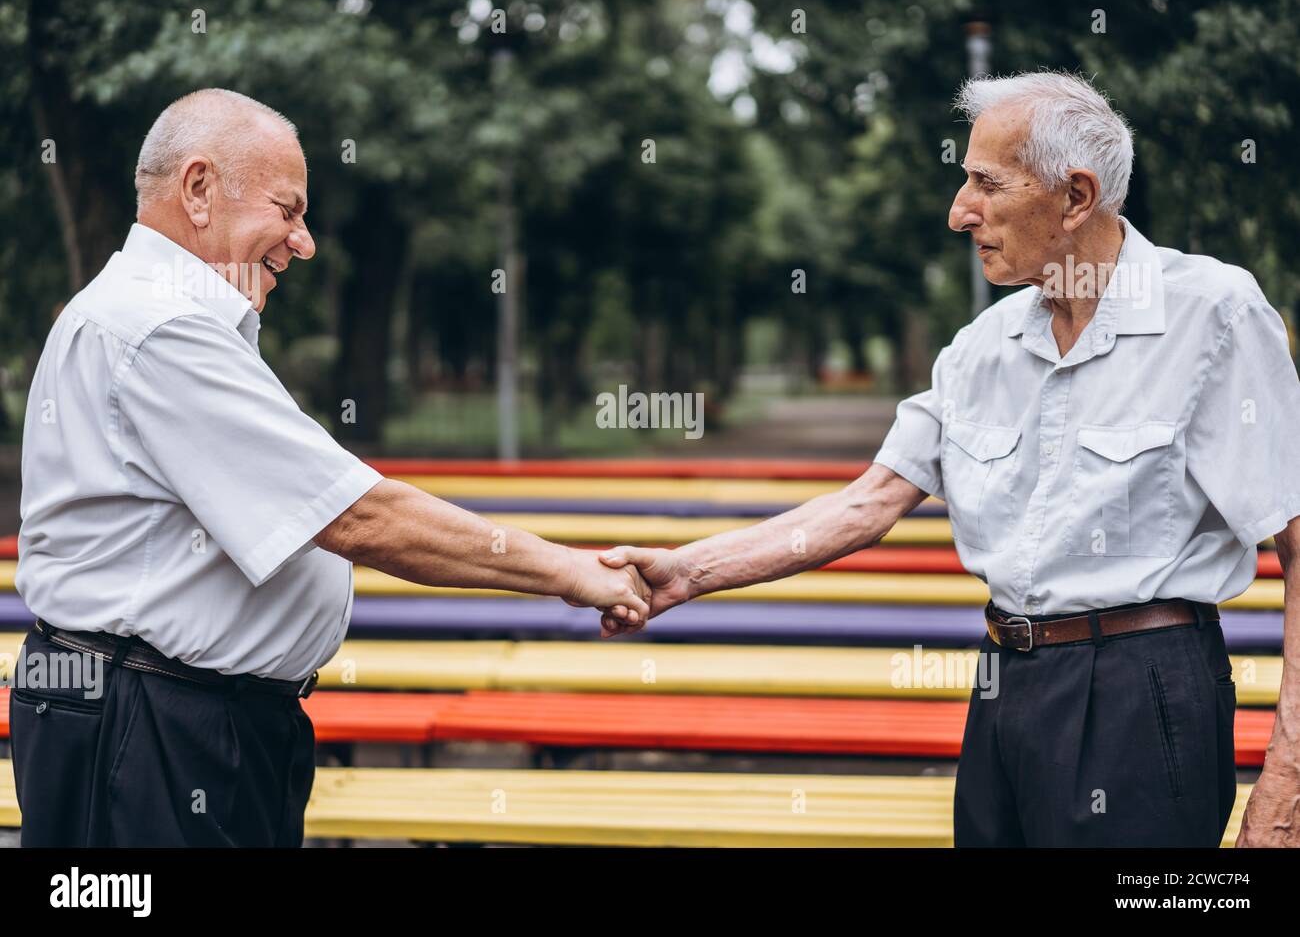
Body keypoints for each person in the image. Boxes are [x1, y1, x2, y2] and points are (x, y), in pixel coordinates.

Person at [596, 71, 1300, 848]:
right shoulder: (982, 348)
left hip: (1144, 688)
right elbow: (866, 503)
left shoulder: (1214, 314)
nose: (960, 212)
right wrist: (689, 572)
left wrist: (1287, 786)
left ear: (1074, 198)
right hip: (1006, 682)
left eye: (985, 184)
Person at [11, 88, 649, 847]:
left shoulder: (153, 316)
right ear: (200, 189)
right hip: (150, 722)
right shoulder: (159, 328)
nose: (303, 241)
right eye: (288, 209)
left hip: (183, 715)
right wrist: (577, 575)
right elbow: (358, 517)